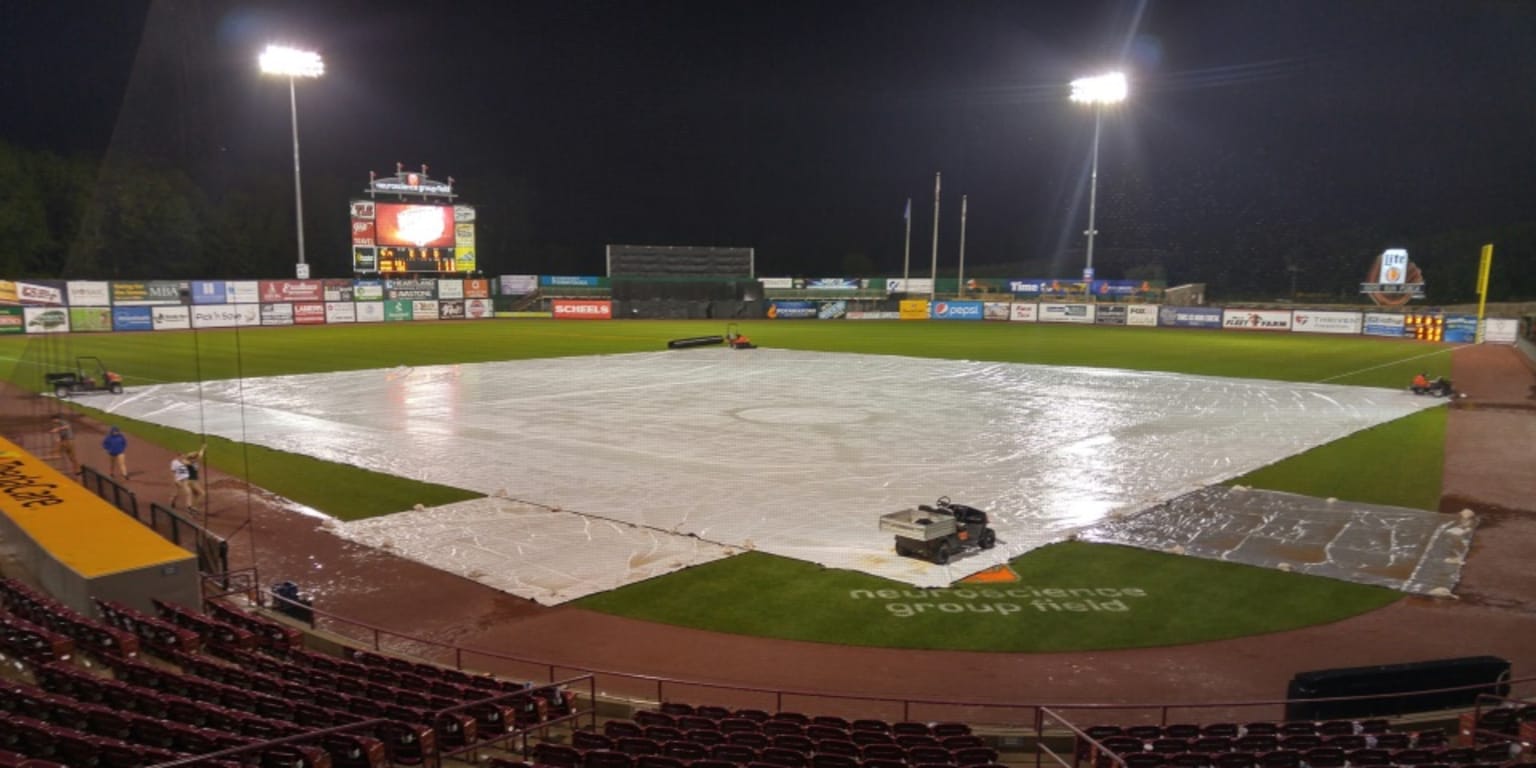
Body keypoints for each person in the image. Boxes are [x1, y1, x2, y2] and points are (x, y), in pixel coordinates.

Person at [170, 444, 207, 511]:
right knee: (202, 493)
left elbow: (200, 455)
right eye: (195, 457)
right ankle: (192, 507)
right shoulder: (188, 462)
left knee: (196, 494)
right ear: (192, 458)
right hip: (191, 480)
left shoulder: (193, 461)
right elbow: (191, 458)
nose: (197, 458)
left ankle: (191, 506)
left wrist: (203, 448)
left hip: (192, 480)